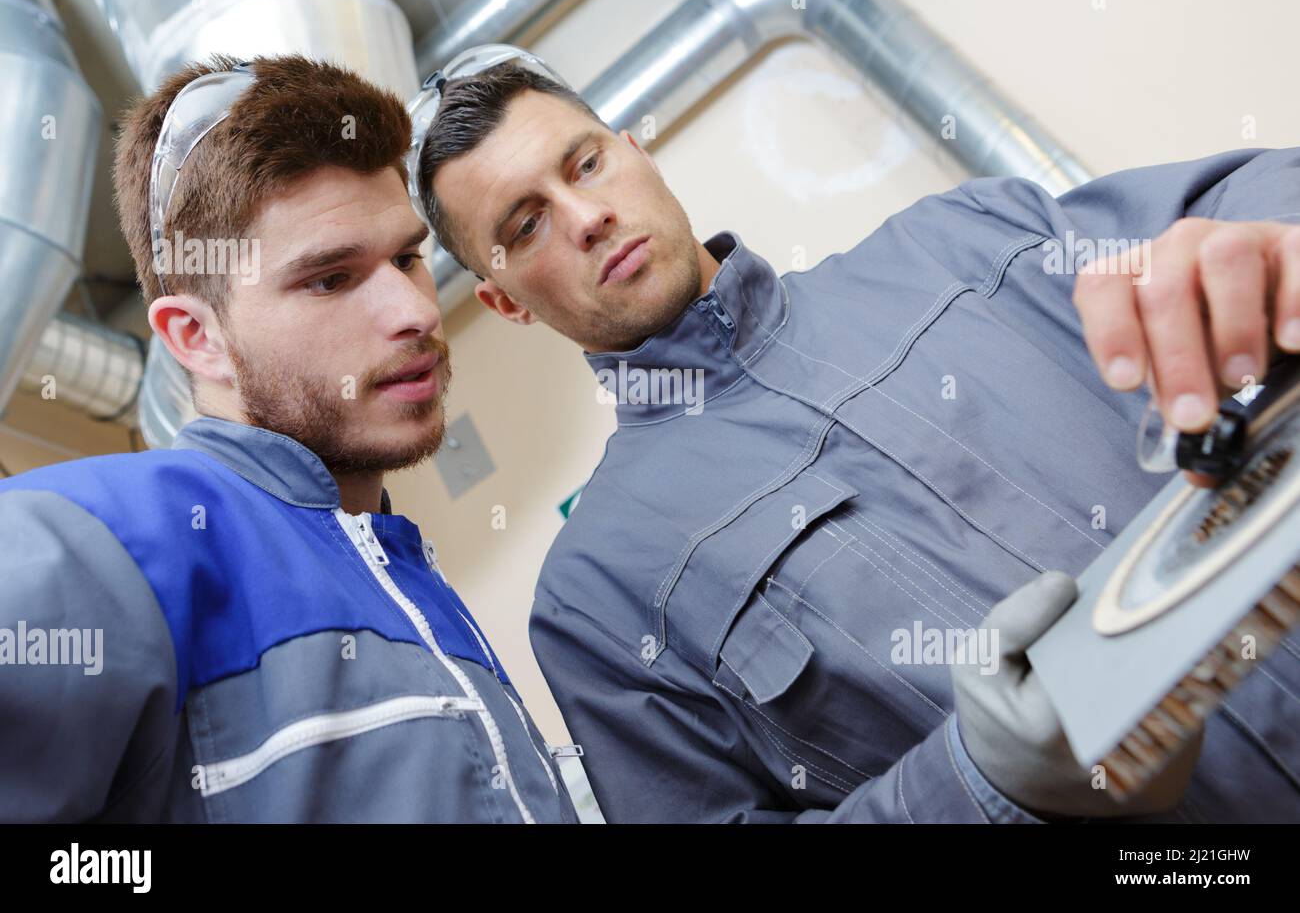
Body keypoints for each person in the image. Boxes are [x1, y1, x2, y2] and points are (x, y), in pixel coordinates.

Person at [412, 44, 1300, 822]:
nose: (584, 216)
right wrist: (980, 786)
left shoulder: (960, 240)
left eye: (587, 164)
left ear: (637, 152)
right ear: (503, 302)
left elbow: (1252, 197)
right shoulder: (599, 596)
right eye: (525, 226)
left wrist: (1272, 248)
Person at [0, 54, 575, 823]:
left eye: (406, 258)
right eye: (329, 279)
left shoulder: (403, 579)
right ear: (198, 339)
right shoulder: (100, 541)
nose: (414, 311)